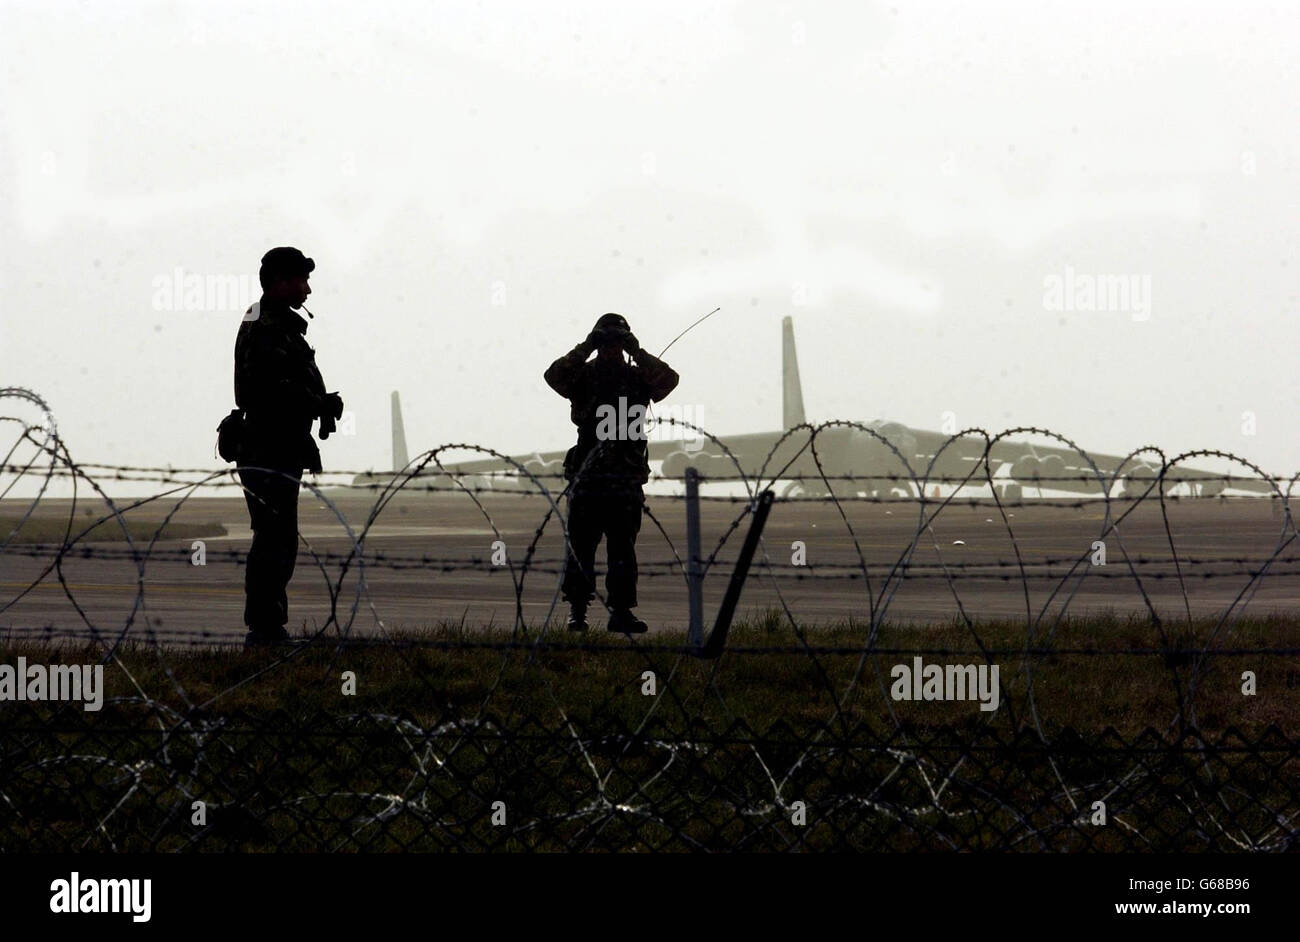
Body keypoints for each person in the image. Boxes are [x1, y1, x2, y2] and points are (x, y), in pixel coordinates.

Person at [232, 247, 343, 647]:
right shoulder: (265, 326)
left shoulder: (277, 323)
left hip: (280, 445)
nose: (308, 289)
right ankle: (264, 631)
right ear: (280, 282)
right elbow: (269, 391)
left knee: (278, 537)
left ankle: (268, 628)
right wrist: (318, 403)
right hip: (268, 446)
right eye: (301, 280)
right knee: (274, 539)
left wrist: (319, 402)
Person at [544, 313, 679, 633]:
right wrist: (586, 346)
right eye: (606, 341)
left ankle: (621, 611)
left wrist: (638, 351)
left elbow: (668, 380)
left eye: (616, 342)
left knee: (622, 549)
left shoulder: (638, 377)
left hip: (625, 477)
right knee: (581, 547)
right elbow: (553, 377)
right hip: (589, 476)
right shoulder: (583, 376)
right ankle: (578, 610)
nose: (610, 348)